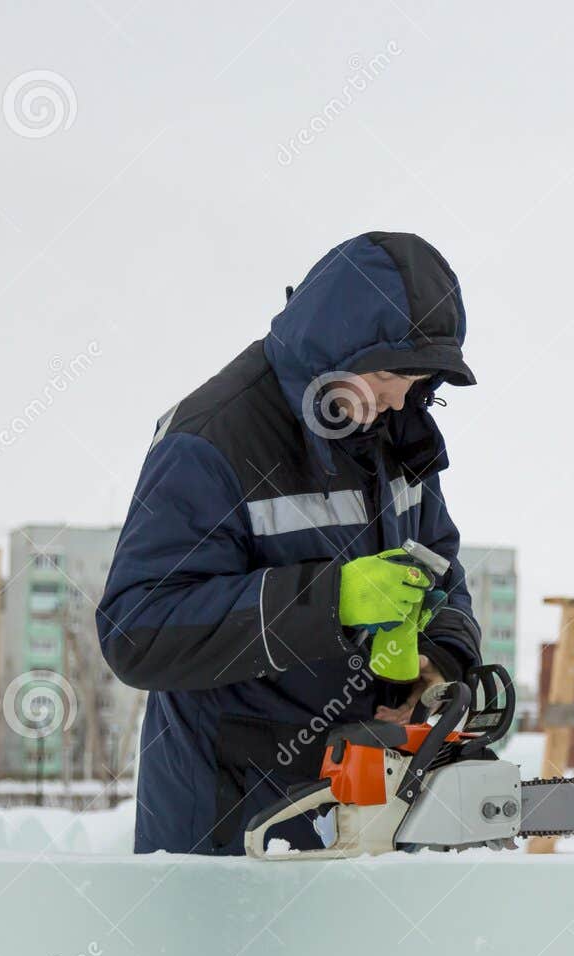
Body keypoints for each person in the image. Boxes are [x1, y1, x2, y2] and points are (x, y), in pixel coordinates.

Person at [97, 232, 482, 855]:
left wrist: (439, 656)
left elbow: (441, 568)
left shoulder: (395, 431)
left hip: (366, 802)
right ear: (331, 344)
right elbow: (136, 630)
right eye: (386, 373)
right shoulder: (211, 438)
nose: (397, 399)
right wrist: (329, 602)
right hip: (227, 814)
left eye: (415, 381)